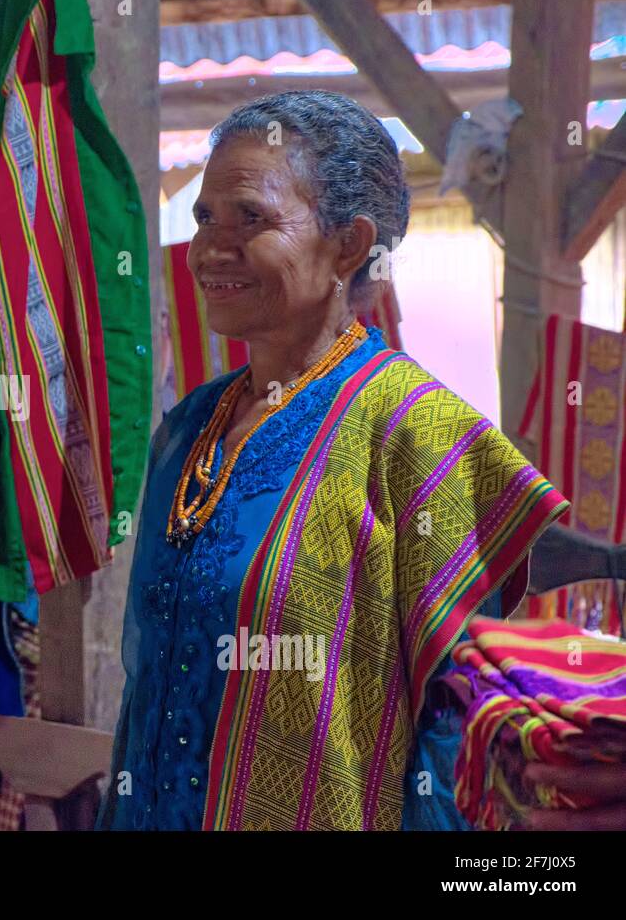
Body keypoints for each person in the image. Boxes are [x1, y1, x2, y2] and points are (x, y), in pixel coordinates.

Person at [99, 89, 617, 831]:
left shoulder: (419, 434)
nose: (211, 246)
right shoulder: (187, 429)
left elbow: (463, 723)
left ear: (349, 244)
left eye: (252, 217)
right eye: (204, 218)